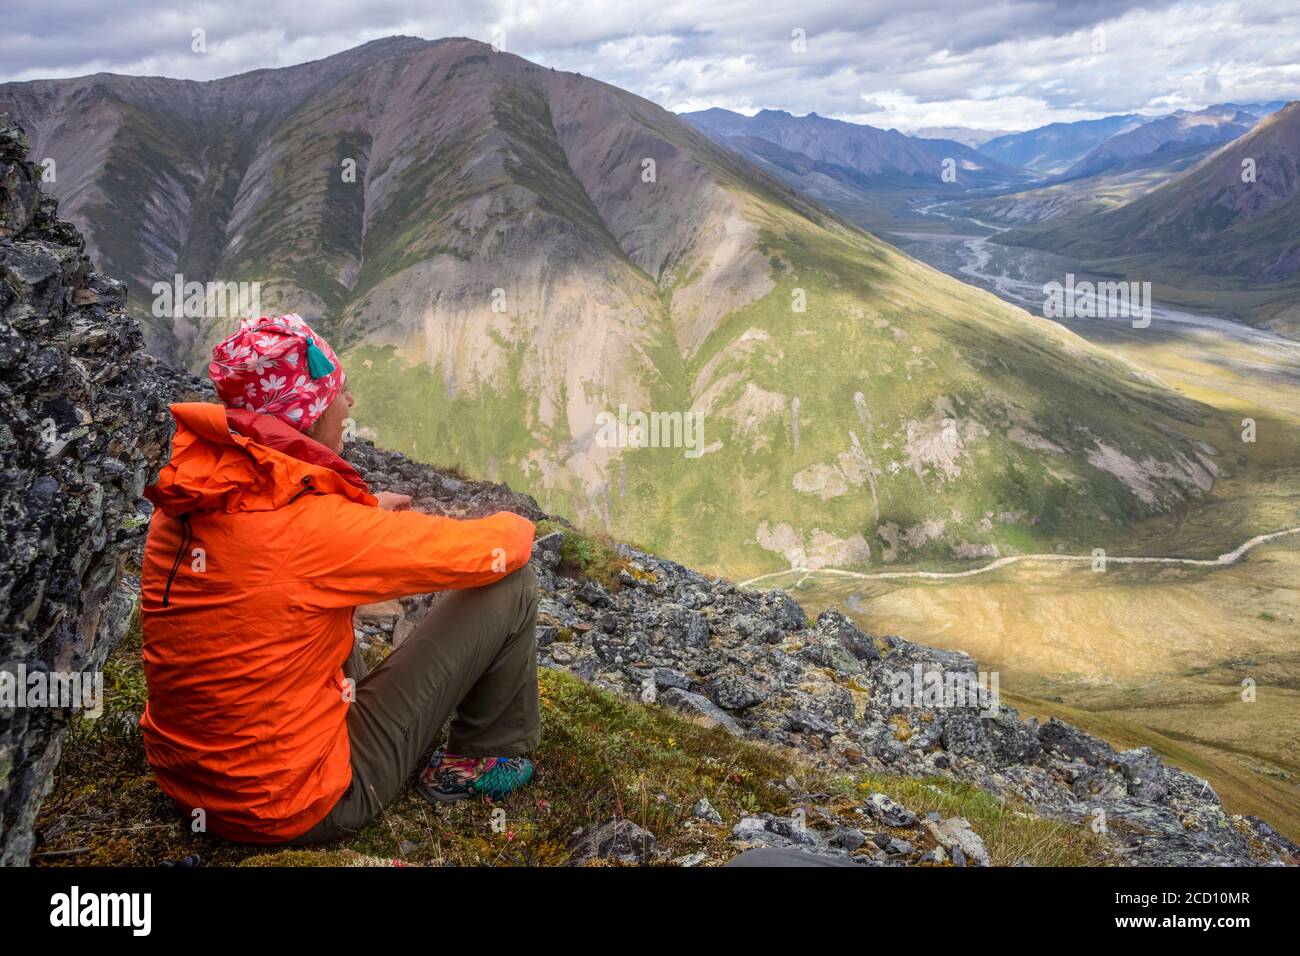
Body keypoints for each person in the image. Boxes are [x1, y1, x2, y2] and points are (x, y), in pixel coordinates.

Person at [138, 314, 539, 845]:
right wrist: (520, 521)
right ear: (305, 417)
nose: (349, 404)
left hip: (192, 787)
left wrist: (364, 514)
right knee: (511, 583)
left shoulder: (186, 503)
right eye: (337, 394)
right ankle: (480, 761)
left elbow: (277, 563)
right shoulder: (317, 532)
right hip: (297, 804)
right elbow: (493, 552)